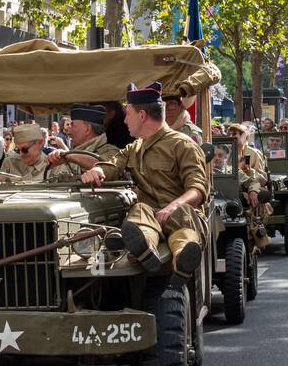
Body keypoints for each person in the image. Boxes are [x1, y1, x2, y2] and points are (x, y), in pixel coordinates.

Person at [81, 82, 208, 275]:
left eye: (128, 115)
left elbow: (197, 189)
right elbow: (113, 165)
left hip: (182, 218)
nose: (125, 122)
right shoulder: (135, 148)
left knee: (182, 216)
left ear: (142, 116)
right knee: (139, 211)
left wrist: (173, 205)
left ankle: (183, 258)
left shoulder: (183, 145)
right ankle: (146, 249)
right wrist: (98, 171)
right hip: (151, 218)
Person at [47, 105, 121, 180]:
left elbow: (108, 167)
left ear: (87, 129)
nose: (68, 131)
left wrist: (69, 156)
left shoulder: (112, 151)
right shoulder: (75, 150)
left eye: (72, 125)